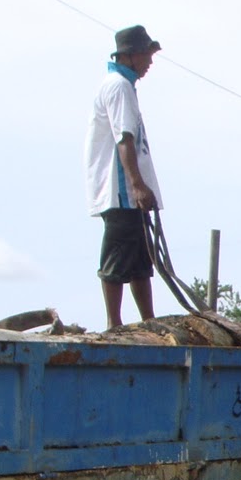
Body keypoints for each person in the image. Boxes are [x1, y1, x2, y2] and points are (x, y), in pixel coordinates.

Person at [85, 25, 163, 330]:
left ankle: (149, 321)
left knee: (141, 259)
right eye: (146, 54)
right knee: (117, 256)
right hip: (120, 190)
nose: (150, 62)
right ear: (130, 56)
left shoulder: (124, 86)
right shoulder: (118, 86)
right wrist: (137, 185)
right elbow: (124, 139)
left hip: (127, 191)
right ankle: (114, 323)